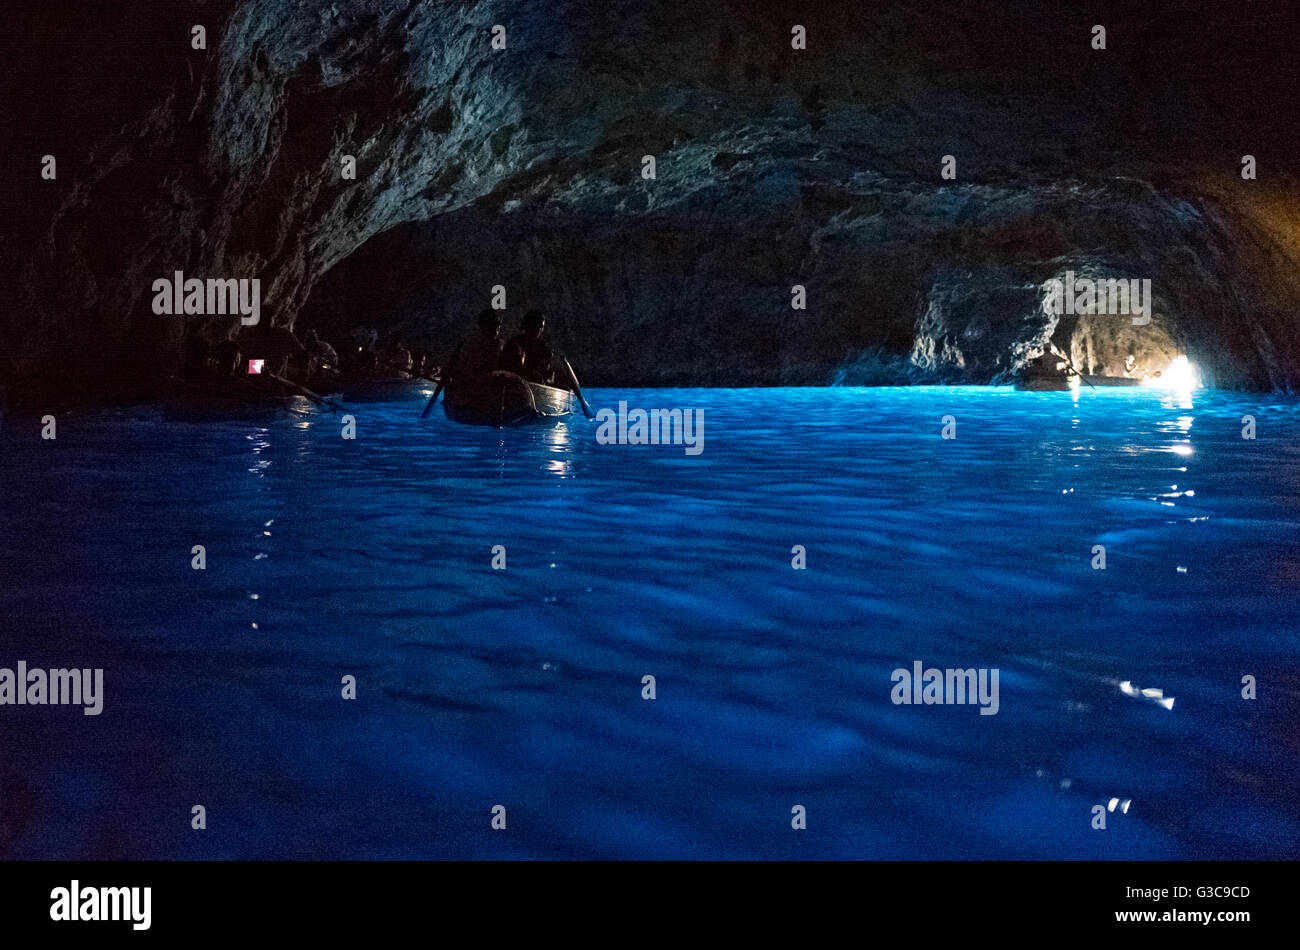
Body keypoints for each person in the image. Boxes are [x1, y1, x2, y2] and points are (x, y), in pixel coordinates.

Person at [505, 309, 555, 384]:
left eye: (542, 326)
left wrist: (548, 377)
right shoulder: (515, 344)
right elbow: (511, 371)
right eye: (537, 325)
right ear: (528, 324)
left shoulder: (543, 347)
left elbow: (548, 374)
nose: (540, 329)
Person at [452, 309, 502, 382]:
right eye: (493, 324)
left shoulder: (500, 345)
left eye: (497, 324)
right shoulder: (472, 345)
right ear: (483, 325)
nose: (496, 328)